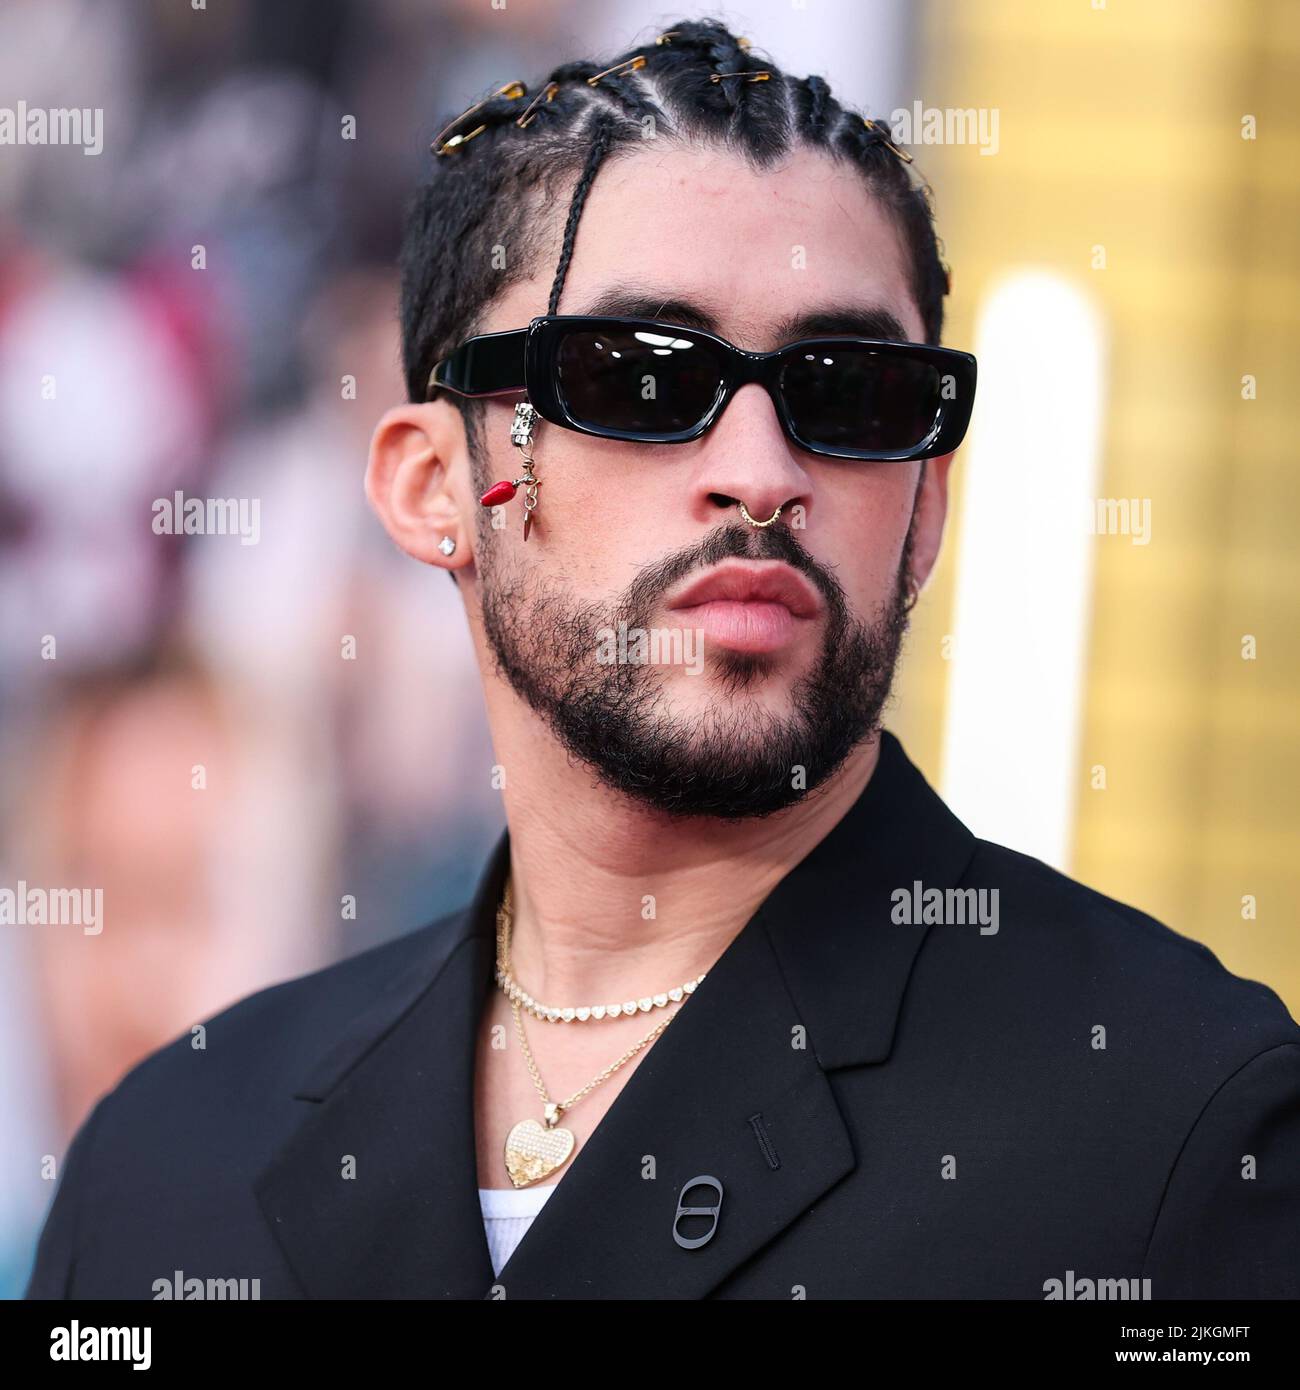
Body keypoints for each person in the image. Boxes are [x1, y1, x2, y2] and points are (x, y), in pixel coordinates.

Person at [26, 16, 1299, 1300]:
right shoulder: (169, 1163)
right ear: (433, 486)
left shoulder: (1181, 1146)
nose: (759, 476)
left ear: (926, 506)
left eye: (849, 392)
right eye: (636, 381)